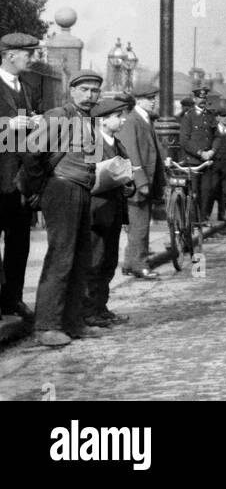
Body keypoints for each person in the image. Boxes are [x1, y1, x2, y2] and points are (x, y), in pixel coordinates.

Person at [25, 70, 107, 348]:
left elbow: (92, 160)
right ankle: (47, 325)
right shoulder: (58, 115)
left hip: (83, 190)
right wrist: (41, 187)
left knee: (81, 257)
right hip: (61, 188)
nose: (89, 95)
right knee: (61, 256)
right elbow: (32, 152)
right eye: (83, 89)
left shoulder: (92, 121)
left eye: (94, 91)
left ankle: (73, 322)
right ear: (72, 91)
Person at [0, 31, 43, 324]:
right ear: (10, 55)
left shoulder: (28, 87)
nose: (33, 58)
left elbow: (29, 133)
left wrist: (37, 122)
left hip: (20, 179)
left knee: (19, 242)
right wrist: (8, 124)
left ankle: (12, 300)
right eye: (28, 53)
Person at [84, 96, 136, 327]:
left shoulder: (117, 143)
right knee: (94, 262)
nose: (123, 119)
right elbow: (90, 178)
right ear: (103, 120)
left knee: (108, 261)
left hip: (113, 210)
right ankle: (89, 311)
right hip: (97, 211)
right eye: (118, 116)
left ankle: (101, 307)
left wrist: (128, 184)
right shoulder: (93, 142)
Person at [116, 87, 165, 279]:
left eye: (153, 98)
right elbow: (131, 153)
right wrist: (142, 181)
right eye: (148, 98)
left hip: (148, 179)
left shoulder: (144, 119)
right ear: (138, 100)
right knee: (140, 226)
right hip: (138, 182)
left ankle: (130, 262)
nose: (153, 101)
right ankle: (140, 264)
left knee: (140, 224)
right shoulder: (133, 121)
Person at [178, 95, 218, 222]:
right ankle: (193, 221)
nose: (202, 101)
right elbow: (184, 141)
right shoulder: (188, 116)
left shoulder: (210, 115)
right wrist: (201, 153)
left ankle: (202, 219)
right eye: (200, 99)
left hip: (207, 161)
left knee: (207, 191)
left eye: (204, 99)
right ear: (194, 100)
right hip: (193, 161)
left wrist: (213, 150)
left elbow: (217, 136)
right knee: (194, 193)